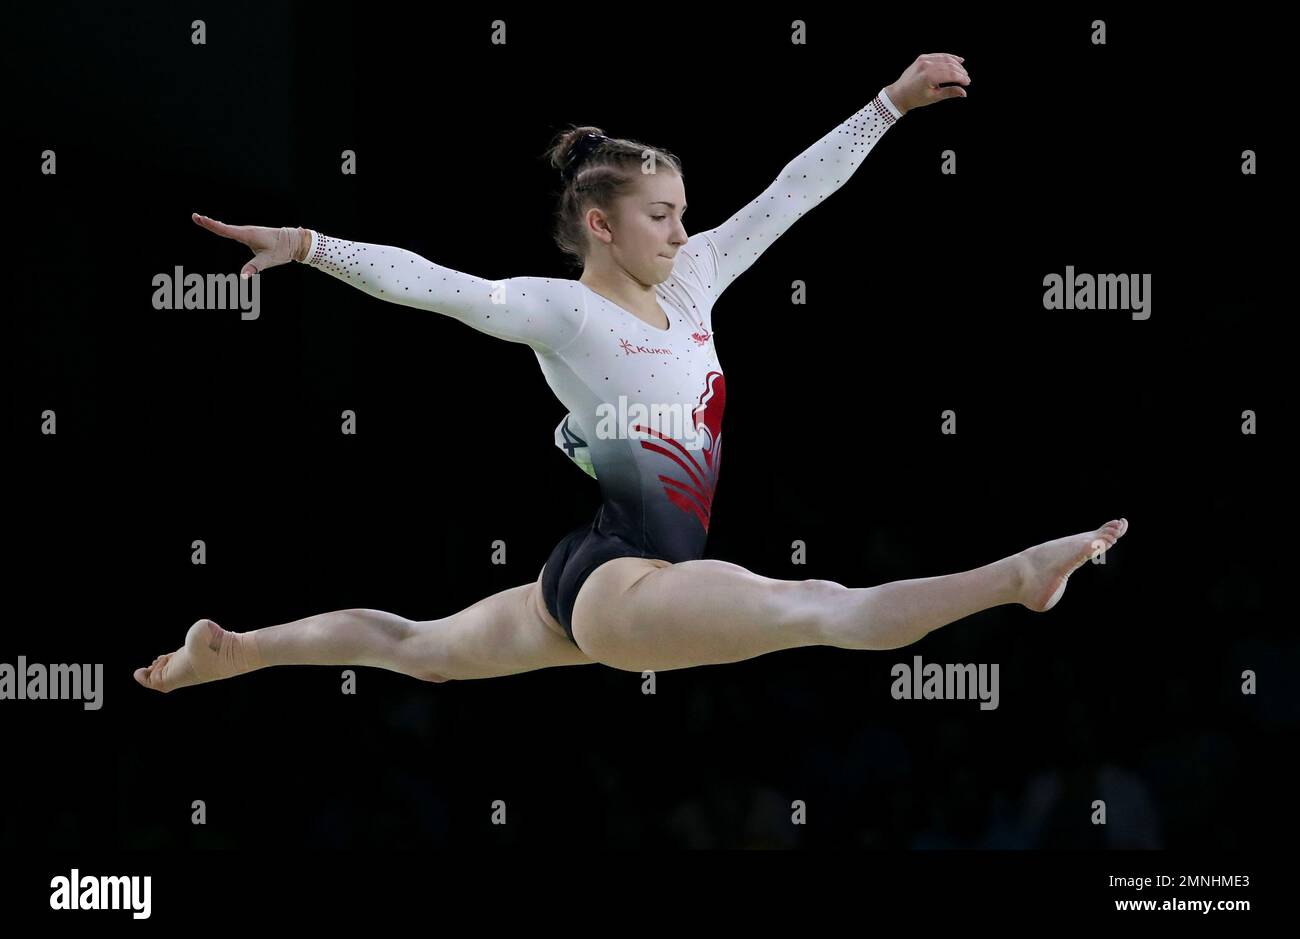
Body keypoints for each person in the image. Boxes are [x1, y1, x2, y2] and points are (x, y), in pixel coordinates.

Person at [136, 52, 1128, 692]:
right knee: (824, 608)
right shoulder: (561, 310)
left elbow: (788, 197)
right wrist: (309, 243)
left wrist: (888, 106)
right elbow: (432, 284)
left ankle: (235, 651)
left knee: (419, 652)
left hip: (605, 566)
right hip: (623, 581)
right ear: (600, 225)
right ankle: (1017, 577)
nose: (684, 231)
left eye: (685, 210)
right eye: (663, 216)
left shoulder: (691, 278)